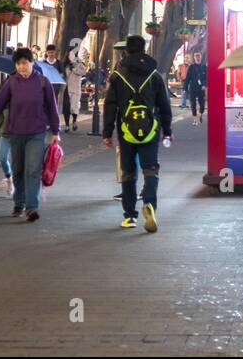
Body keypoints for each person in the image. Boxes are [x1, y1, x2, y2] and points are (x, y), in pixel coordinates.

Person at [103, 35, 173, 232]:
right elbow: (164, 106)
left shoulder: (118, 76)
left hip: (126, 131)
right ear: (144, 50)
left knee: (128, 173)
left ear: (126, 51)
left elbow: (110, 105)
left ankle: (129, 216)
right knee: (150, 170)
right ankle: (150, 204)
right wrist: (167, 131)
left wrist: (107, 133)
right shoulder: (155, 75)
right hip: (150, 130)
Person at [0, 47, 60, 221]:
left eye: (25, 63)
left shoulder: (43, 82)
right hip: (15, 133)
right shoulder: (10, 83)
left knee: (32, 170)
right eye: (18, 64)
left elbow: (52, 108)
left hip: (37, 133)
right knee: (18, 170)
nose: (22, 67)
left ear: (32, 63)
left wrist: (55, 131)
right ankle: (19, 202)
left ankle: (32, 207)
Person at [65, 45, 91, 129]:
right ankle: (66, 125)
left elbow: (83, 72)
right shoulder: (65, 63)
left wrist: (75, 68)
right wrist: (69, 68)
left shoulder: (79, 62)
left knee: (74, 106)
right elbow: (63, 75)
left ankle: (74, 121)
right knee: (67, 107)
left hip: (76, 88)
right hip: (66, 88)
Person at [184, 51, 207, 125]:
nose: (197, 57)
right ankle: (195, 119)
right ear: (194, 57)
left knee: (202, 104)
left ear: (201, 56)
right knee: (193, 104)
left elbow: (207, 78)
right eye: (196, 56)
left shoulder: (204, 67)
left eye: (198, 55)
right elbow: (187, 78)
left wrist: (204, 85)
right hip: (193, 88)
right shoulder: (191, 67)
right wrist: (185, 88)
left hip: (201, 88)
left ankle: (200, 115)